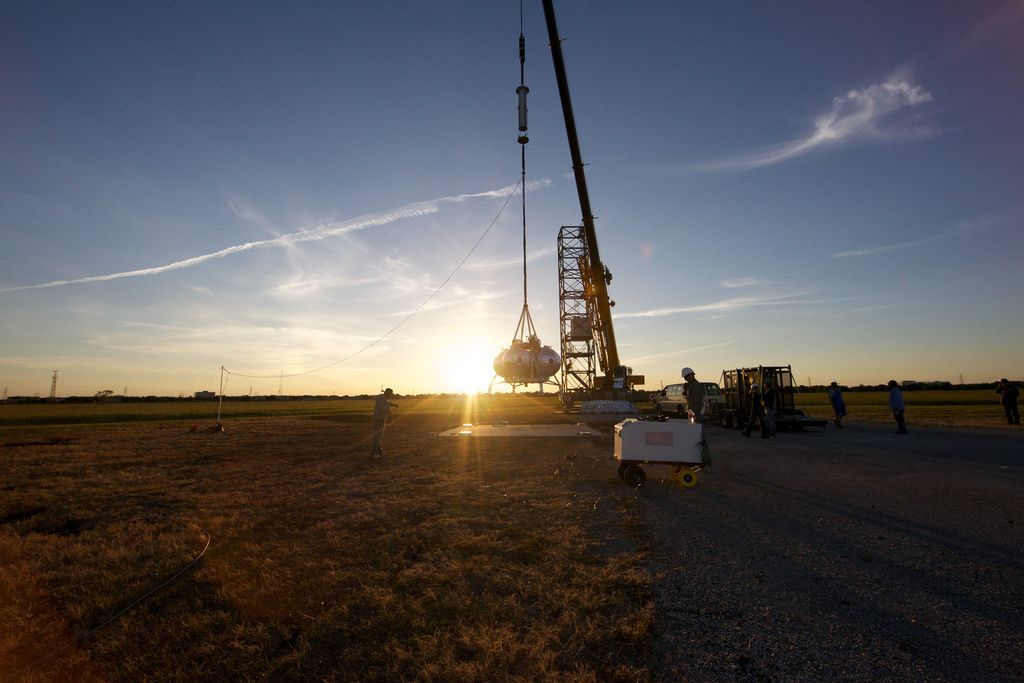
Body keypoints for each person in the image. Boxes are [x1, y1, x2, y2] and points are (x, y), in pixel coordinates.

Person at [370, 388, 397, 457]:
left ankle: (379, 451)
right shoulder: (382, 399)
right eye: (390, 395)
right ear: (388, 394)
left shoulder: (381, 398)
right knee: (377, 437)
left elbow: (386, 402)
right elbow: (384, 408)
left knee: (378, 436)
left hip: (378, 419)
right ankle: (375, 453)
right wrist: (390, 414)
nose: (391, 396)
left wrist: (393, 405)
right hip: (379, 419)